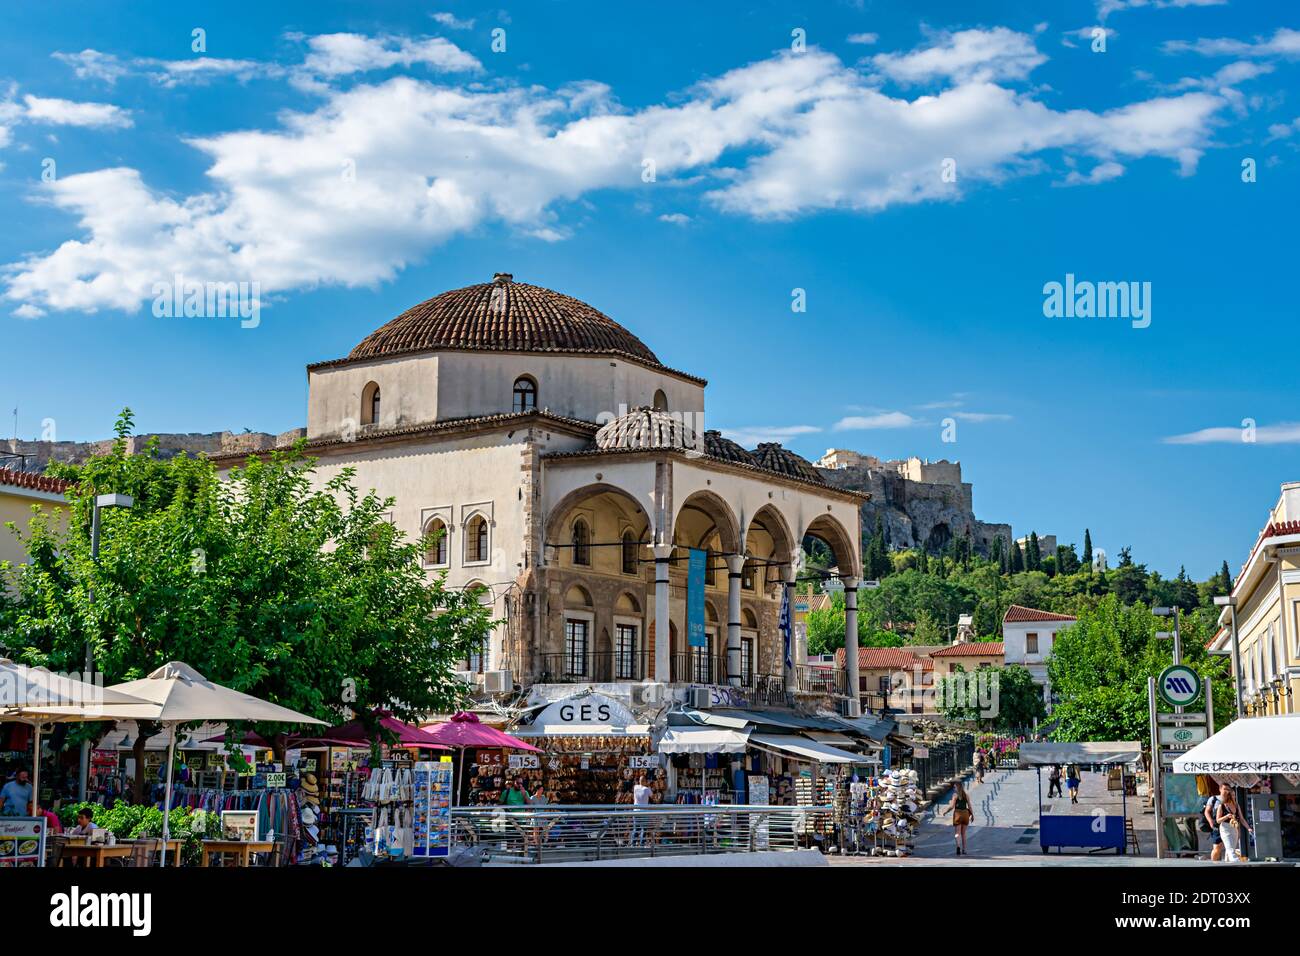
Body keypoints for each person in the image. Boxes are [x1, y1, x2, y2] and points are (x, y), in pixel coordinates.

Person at [1215, 788, 1252, 862]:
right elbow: (1218, 820)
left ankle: (1228, 863)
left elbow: (1241, 819)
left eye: (1234, 795)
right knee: (1230, 849)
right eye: (1231, 795)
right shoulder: (1222, 806)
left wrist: (1248, 828)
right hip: (1225, 828)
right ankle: (1236, 861)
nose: (1233, 797)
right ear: (1227, 796)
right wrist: (1226, 816)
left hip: (1235, 828)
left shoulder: (1236, 805)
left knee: (1231, 848)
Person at [946, 780, 973, 855]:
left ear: (957, 787)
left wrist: (945, 811)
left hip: (958, 814)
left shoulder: (955, 795)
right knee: (963, 833)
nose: (954, 787)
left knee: (957, 833)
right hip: (965, 814)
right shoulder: (966, 795)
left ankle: (958, 846)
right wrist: (972, 815)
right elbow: (970, 806)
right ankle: (964, 849)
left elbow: (951, 807)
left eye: (954, 786)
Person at [1203, 791, 1224, 861]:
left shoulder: (1232, 798)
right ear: (1220, 789)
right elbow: (1207, 811)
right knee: (1217, 847)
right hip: (1217, 826)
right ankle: (1214, 863)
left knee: (1229, 848)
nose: (1226, 791)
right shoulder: (1214, 799)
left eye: (1228, 789)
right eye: (1224, 789)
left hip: (1228, 825)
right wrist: (1211, 822)